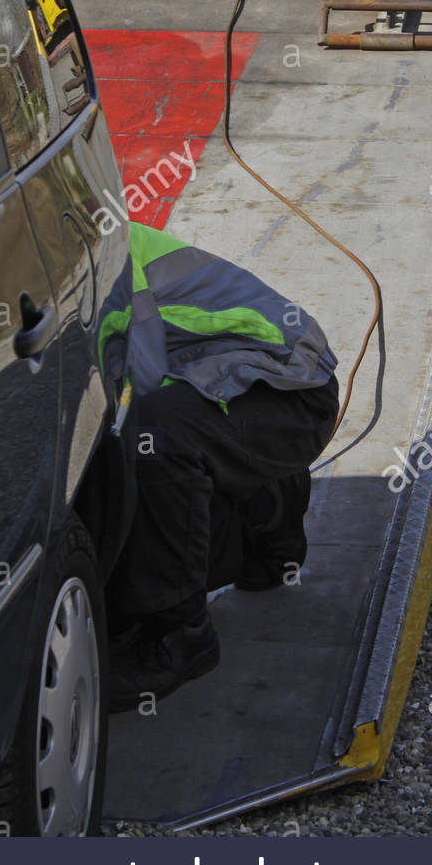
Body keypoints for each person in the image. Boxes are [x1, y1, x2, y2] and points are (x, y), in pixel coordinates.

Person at [97, 221, 339, 711]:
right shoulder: (95, 240)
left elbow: (140, 383)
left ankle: (180, 637)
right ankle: (270, 520)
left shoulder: (104, 260)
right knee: (168, 433)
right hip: (276, 391)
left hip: (290, 393)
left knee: (148, 439)